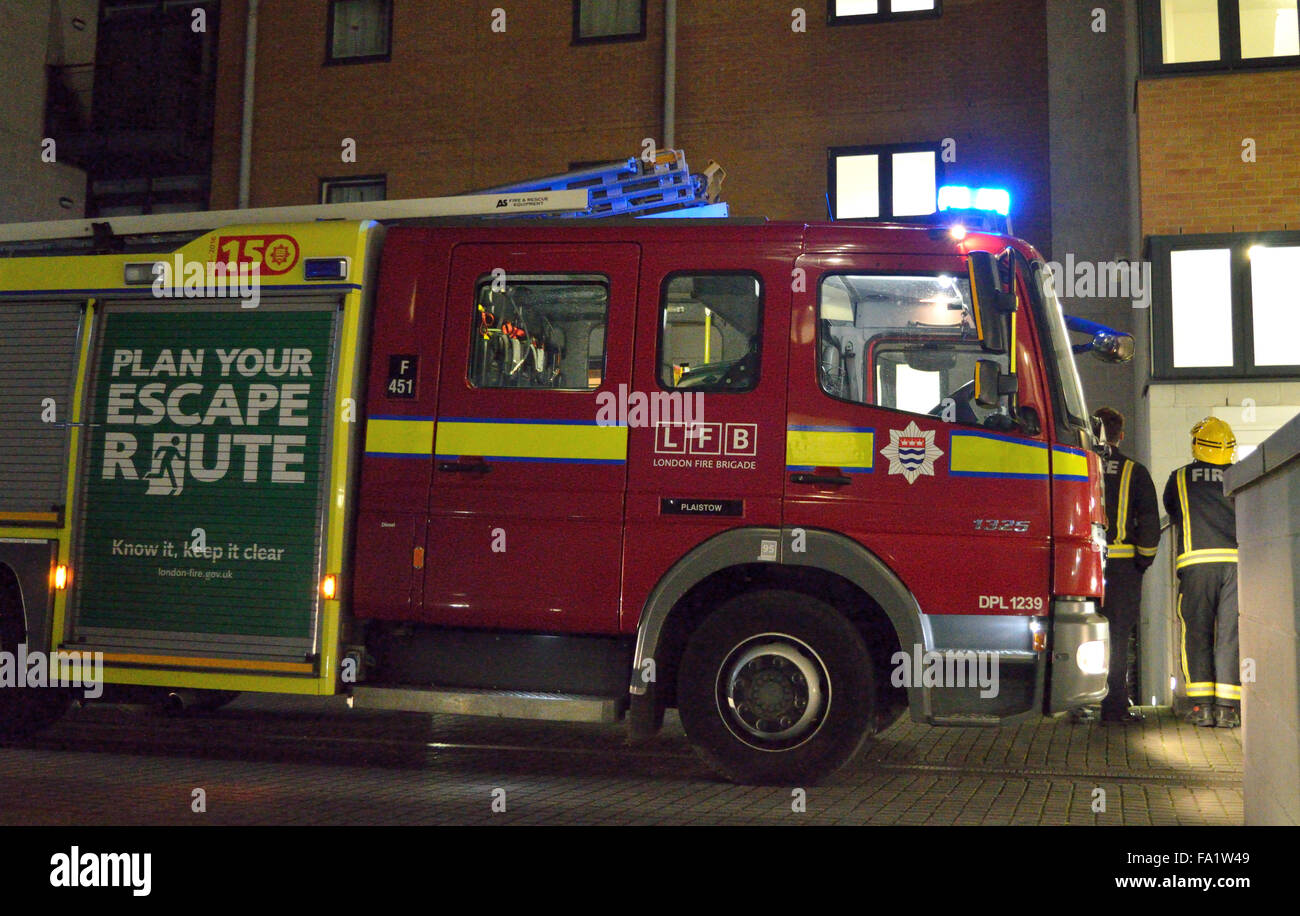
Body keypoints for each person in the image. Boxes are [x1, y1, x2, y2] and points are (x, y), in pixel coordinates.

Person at [1162, 417, 1240, 728]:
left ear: (1197, 444)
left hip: (1196, 564)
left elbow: (1172, 511)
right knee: (1230, 636)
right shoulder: (1238, 475)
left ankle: (1202, 709)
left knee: (1196, 633)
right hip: (1236, 563)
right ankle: (1227, 709)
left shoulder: (1179, 478)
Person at [1094, 407, 1160, 725]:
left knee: (1083, 634)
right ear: (1121, 435)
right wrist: (1143, 561)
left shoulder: (1078, 464)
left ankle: (1079, 701)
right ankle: (1114, 707)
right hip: (1122, 570)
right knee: (1117, 638)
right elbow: (1149, 522)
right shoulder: (1136, 471)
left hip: (1083, 568)